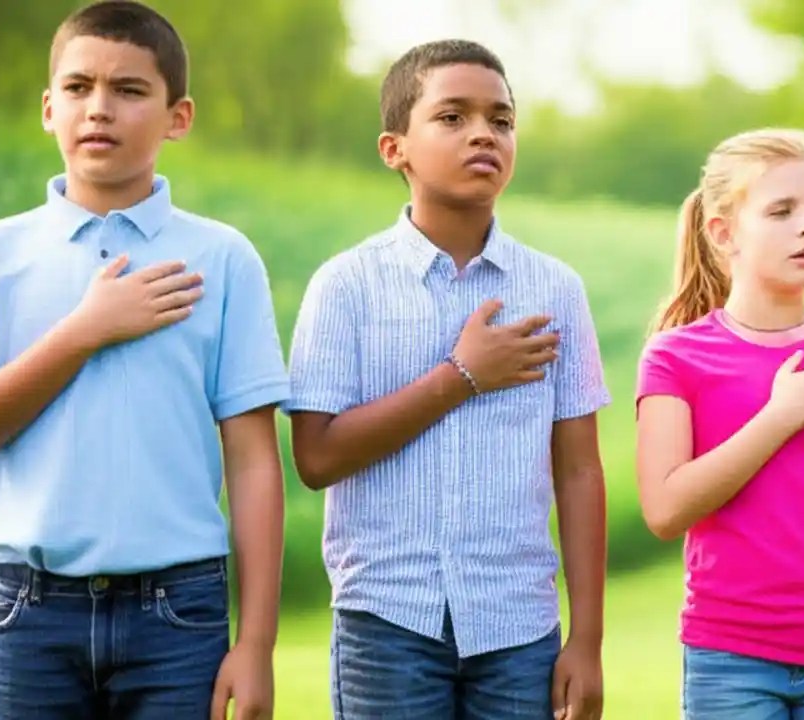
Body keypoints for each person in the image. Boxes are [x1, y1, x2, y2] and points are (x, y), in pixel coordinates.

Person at [0, 2, 290, 718]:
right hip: (28, 613)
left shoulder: (222, 258)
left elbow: (254, 460)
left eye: (129, 90)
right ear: (49, 109)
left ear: (179, 116)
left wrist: (257, 641)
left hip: (178, 614)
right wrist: (84, 332)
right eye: (78, 89)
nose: (99, 109)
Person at [286, 38, 610, 720]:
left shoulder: (556, 288)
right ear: (394, 148)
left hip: (519, 626)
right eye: (452, 117)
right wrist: (462, 376)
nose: (483, 134)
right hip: (386, 621)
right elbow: (316, 457)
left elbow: (580, 473)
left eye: (501, 119)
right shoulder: (345, 286)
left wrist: (588, 640)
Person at [634, 128, 804, 720]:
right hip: (730, 658)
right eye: (782, 211)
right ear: (724, 232)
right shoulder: (676, 358)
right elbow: (664, 509)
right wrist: (782, 416)